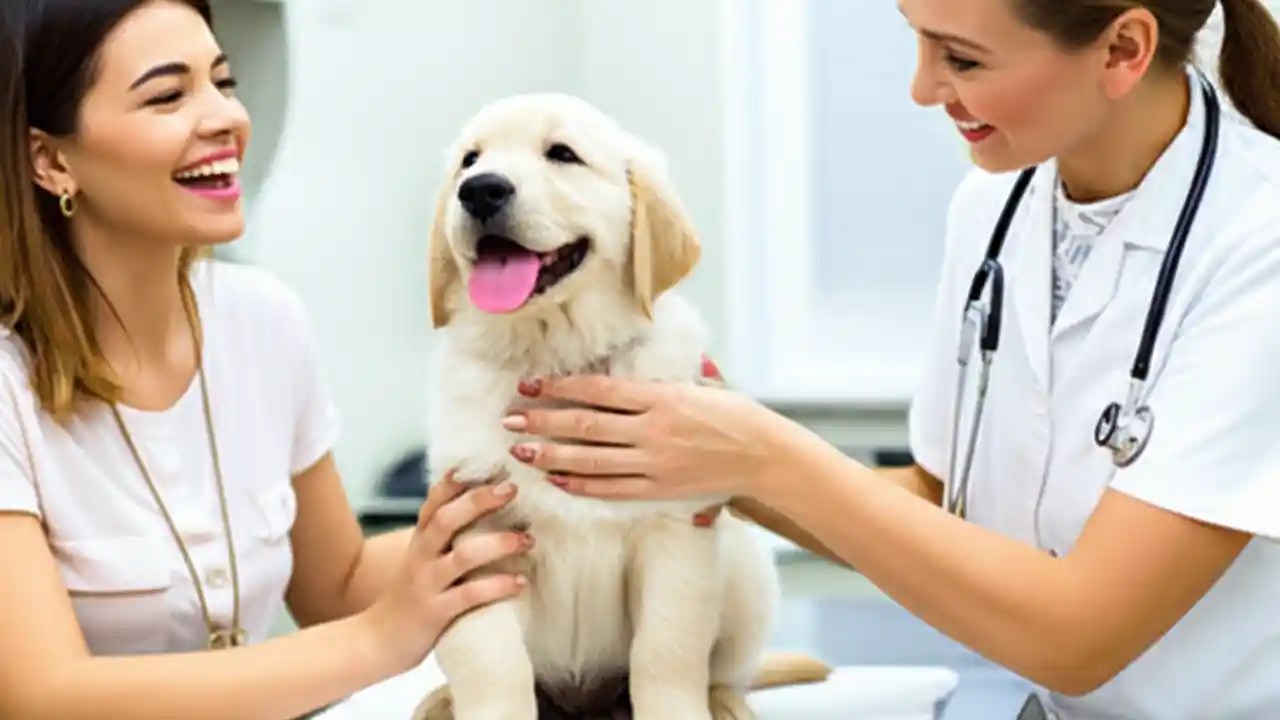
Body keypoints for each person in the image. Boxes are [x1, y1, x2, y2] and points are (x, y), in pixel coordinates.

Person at [500, 1, 1280, 718]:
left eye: (962, 59)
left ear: (1122, 50)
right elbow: (938, 503)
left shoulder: (1259, 240)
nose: (921, 88)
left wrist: (759, 454)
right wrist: (692, 445)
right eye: (917, 40)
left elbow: (1080, 636)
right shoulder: (995, 206)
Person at [0, 1, 531, 718]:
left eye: (223, 82)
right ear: (52, 160)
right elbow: (42, 695)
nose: (226, 118)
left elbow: (337, 585)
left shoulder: (261, 320)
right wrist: (377, 640)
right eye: (168, 95)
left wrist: (531, 504)